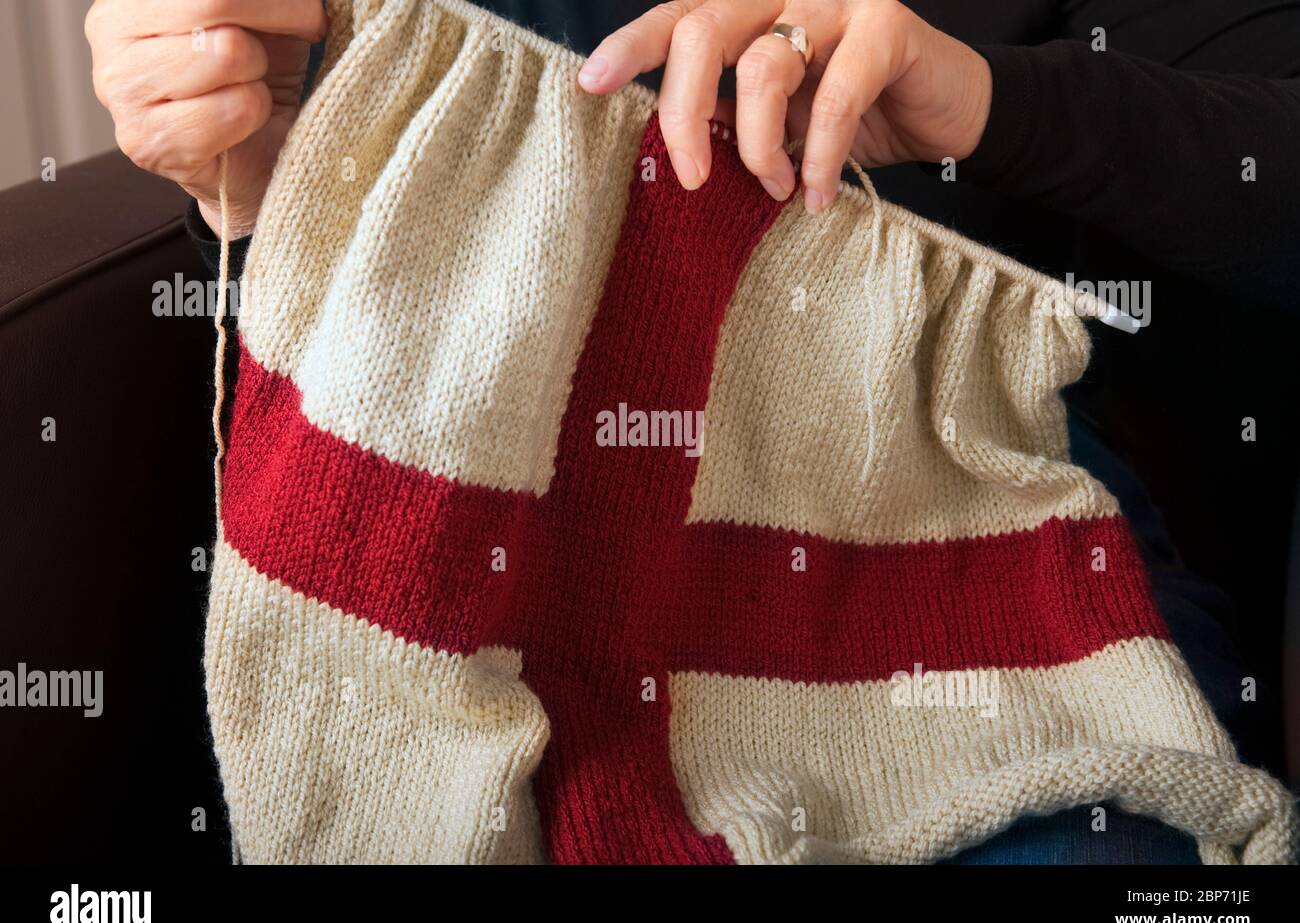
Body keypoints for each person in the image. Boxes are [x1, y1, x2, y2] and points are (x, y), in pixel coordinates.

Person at [85, 0, 1300, 864]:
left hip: (968, 565)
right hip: (476, 582)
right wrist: (249, 169)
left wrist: (977, 97)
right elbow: (358, 364)